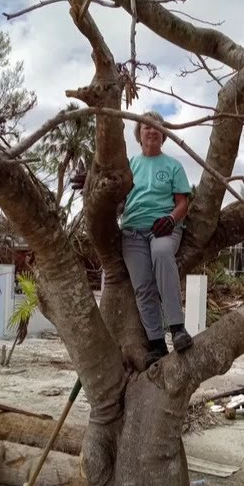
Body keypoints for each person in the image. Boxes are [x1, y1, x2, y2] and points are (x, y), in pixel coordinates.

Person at [72, 111, 194, 365]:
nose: (152, 131)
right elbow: (111, 190)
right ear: (139, 134)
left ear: (163, 135)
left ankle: (177, 328)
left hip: (163, 227)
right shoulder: (129, 167)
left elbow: (183, 203)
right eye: (147, 127)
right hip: (133, 232)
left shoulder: (173, 165)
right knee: (142, 285)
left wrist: (171, 219)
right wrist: (91, 182)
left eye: (157, 128)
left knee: (162, 255)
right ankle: (157, 344)